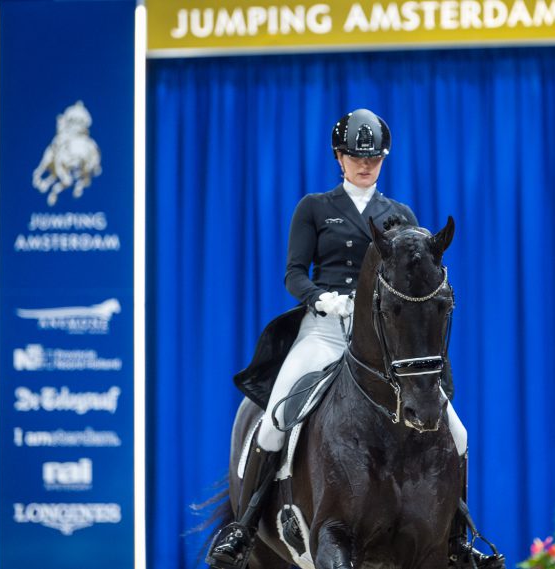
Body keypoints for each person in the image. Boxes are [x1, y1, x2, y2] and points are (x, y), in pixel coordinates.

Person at [207, 109, 504, 569]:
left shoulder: (399, 215)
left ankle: (457, 539)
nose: (365, 165)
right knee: (276, 418)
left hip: (383, 339)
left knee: (458, 433)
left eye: (373, 158)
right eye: (355, 156)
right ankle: (243, 529)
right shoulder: (314, 208)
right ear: (339, 157)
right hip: (324, 330)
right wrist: (320, 298)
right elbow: (293, 273)